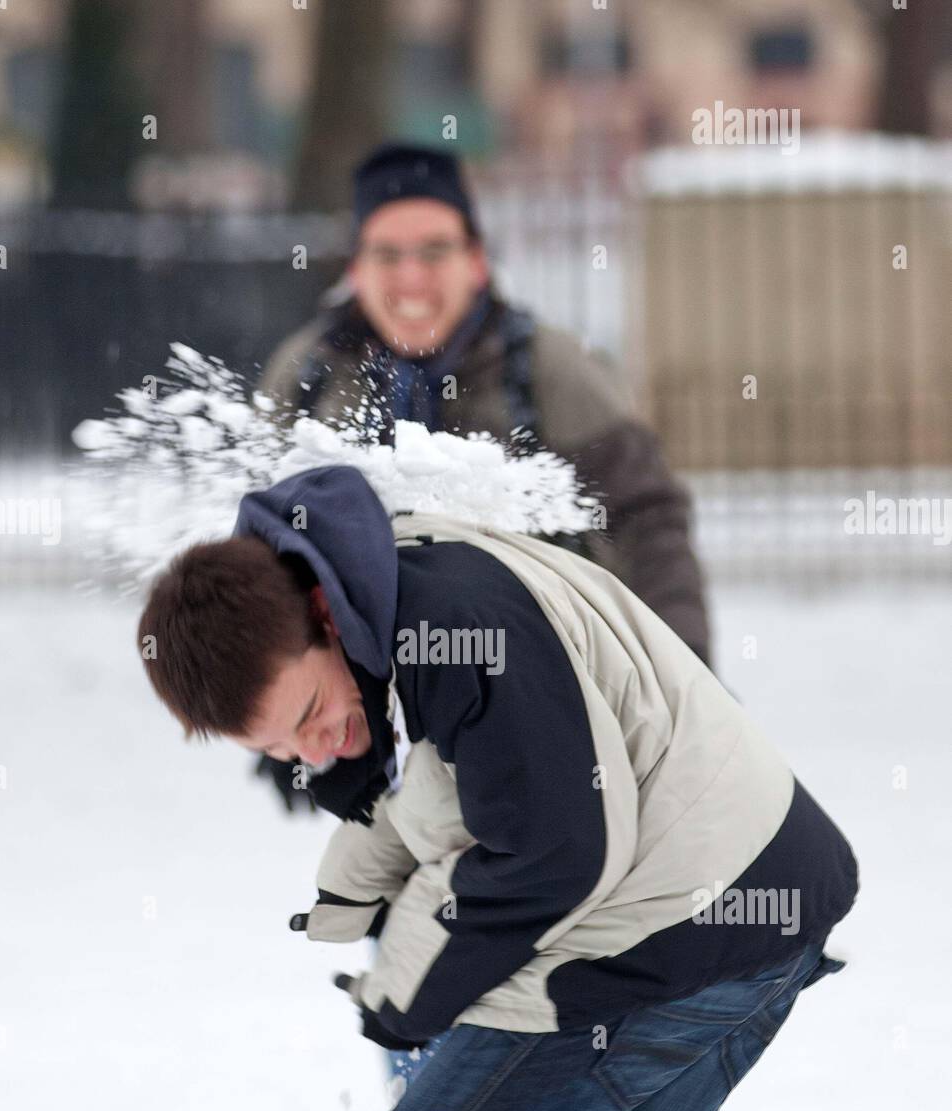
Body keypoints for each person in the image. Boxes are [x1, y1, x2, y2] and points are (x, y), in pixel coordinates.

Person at [135, 456, 859, 1111]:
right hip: (755, 920)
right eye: (278, 751)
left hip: (681, 935)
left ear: (324, 616)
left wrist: (414, 992)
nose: (309, 750)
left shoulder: (456, 622)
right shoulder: (404, 577)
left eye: (306, 715)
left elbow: (557, 853)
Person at [254, 141, 711, 820]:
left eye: (434, 250)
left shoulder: (554, 373)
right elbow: (266, 558)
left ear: (477, 259)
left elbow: (649, 522)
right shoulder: (307, 380)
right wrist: (284, 703)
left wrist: (683, 690)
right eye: (387, 254)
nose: (411, 277)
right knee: (409, 917)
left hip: (552, 720)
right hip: (384, 746)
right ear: (355, 268)